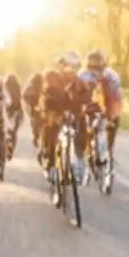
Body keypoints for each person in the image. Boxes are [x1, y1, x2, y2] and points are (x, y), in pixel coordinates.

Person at [39, 51, 85, 187]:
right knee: (51, 130)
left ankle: (77, 162)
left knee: (81, 128)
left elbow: (86, 97)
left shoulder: (79, 82)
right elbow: (49, 94)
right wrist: (58, 112)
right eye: (68, 66)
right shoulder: (51, 76)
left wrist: (87, 109)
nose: (71, 71)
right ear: (61, 66)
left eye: (74, 67)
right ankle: (50, 162)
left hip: (69, 111)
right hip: (52, 108)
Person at [76, 50, 125, 157]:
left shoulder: (111, 75)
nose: (95, 71)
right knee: (81, 126)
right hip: (89, 106)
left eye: (98, 67)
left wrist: (113, 113)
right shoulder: (82, 75)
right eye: (93, 67)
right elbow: (77, 94)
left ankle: (109, 150)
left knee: (112, 124)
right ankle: (83, 149)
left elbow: (116, 95)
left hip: (107, 106)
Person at [22, 72, 44, 148]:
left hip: (33, 106)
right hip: (36, 106)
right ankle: (37, 136)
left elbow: (24, 96)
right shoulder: (41, 84)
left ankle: (36, 136)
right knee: (38, 122)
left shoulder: (30, 85)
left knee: (35, 121)